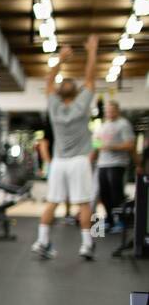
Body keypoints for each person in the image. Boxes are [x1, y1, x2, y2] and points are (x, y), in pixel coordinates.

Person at [32, 34, 99, 260]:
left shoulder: (54, 106)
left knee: (53, 202)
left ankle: (42, 241)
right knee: (83, 203)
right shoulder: (81, 103)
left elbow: (49, 83)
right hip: (79, 160)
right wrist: (91, 51)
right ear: (77, 92)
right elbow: (90, 79)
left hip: (60, 162)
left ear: (60, 93)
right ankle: (86, 245)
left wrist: (60, 59)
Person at [92, 100, 136, 233]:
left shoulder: (123, 124)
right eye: (107, 111)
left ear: (117, 110)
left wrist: (111, 146)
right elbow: (95, 144)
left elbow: (130, 145)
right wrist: (94, 151)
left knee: (116, 194)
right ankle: (110, 220)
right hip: (102, 163)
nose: (109, 113)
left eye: (111, 110)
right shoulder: (102, 125)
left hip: (117, 163)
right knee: (104, 194)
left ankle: (121, 221)